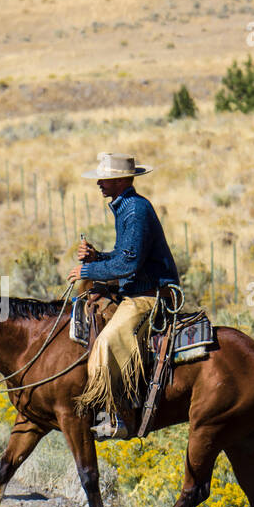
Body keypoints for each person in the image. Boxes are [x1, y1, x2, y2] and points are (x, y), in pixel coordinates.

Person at [67, 153, 180, 440]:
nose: (99, 184)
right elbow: (125, 256)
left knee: (107, 342)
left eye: (103, 179)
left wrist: (88, 268)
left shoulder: (135, 210)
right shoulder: (126, 206)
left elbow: (128, 265)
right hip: (137, 289)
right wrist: (98, 256)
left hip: (150, 296)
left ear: (119, 180)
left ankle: (116, 415)